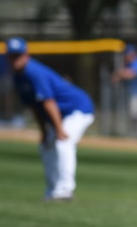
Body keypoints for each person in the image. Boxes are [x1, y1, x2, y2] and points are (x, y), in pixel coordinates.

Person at [5, 37, 95, 201]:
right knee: (46, 146)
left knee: (63, 142)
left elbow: (49, 102)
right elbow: (35, 107)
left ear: (26, 55)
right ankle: (53, 190)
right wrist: (44, 132)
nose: (15, 59)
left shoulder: (34, 72)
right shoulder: (18, 77)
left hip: (78, 109)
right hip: (62, 114)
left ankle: (65, 190)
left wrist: (59, 129)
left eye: (18, 55)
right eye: (12, 56)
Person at [111, 44, 137, 137]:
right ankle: (136, 131)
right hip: (136, 93)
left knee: (135, 109)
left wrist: (118, 73)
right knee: (133, 111)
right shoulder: (129, 64)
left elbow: (130, 74)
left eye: (128, 55)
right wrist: (119, 73)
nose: (126, 57)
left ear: (133, 54)